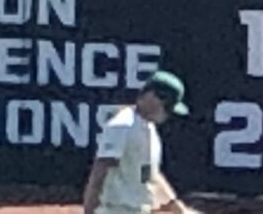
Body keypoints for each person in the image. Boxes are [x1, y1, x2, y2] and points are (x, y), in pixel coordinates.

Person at [84, 71, 196, 214]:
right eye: (167, 106)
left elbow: (149, 175)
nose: (168, 114)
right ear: (153, 97)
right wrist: (89, 210)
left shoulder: (148, 128)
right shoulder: (122, 126)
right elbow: (99, 172)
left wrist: (179, 209)